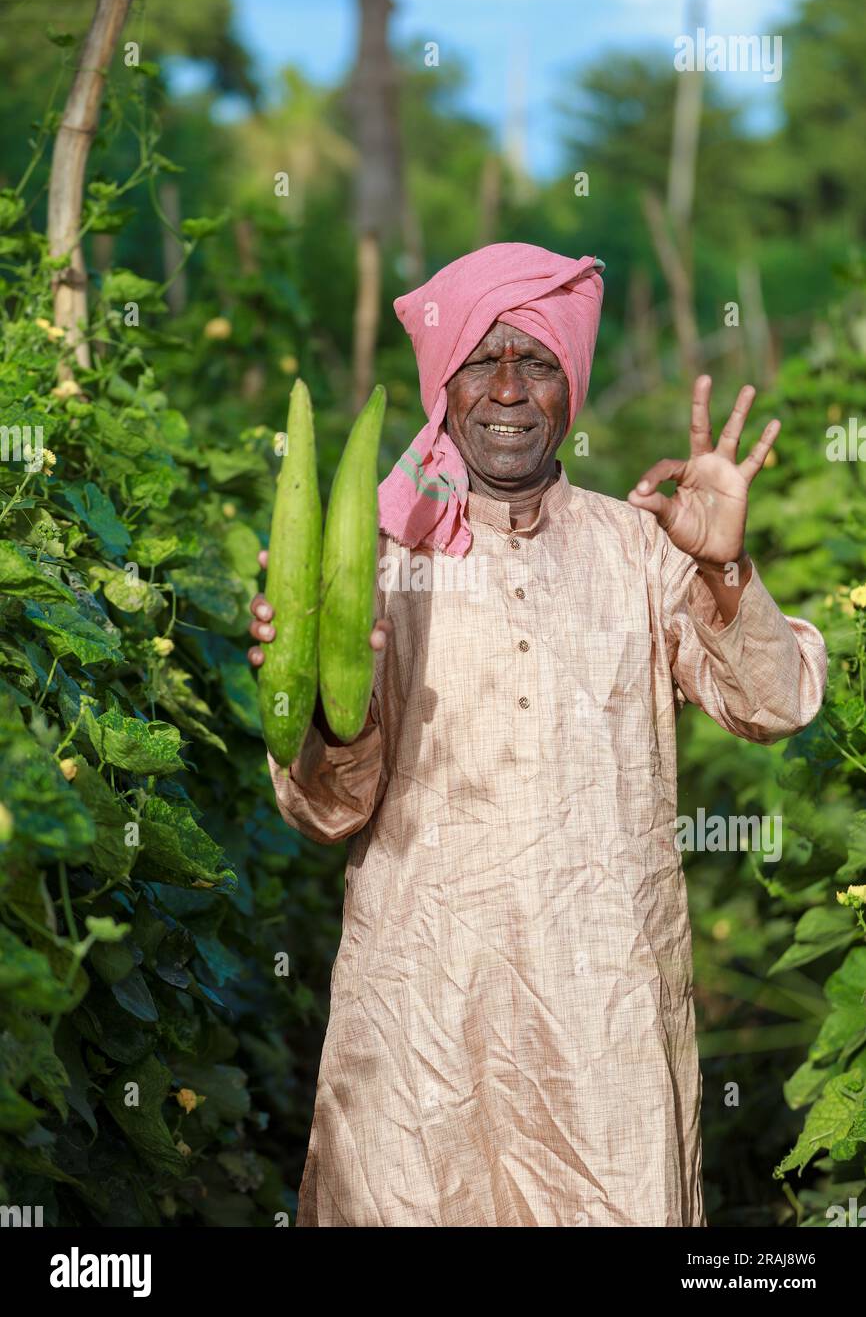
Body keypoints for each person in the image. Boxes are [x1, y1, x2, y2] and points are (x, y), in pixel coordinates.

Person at [248, 243, 827, 1228]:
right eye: (482, 357)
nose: (508, 389)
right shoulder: (377, 560)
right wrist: (306, 692)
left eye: (538, 359)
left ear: (573, 385)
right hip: (420, 1022)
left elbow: (775, 701)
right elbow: (326, 809)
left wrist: (727, 571)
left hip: (601, 1020)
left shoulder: (643, 545)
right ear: (443, 382)